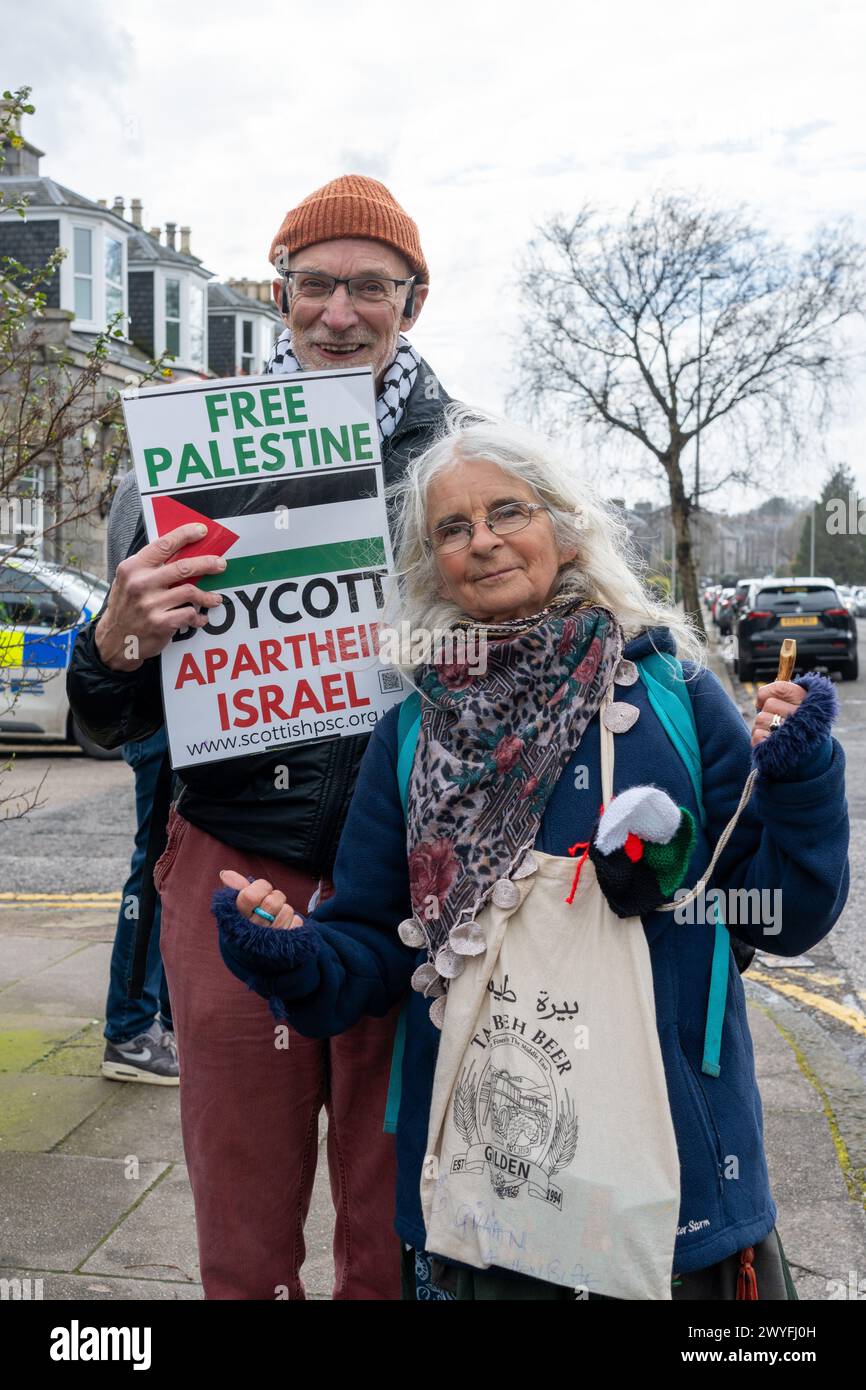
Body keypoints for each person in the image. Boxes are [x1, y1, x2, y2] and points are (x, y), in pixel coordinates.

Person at [215, 409, 849, 1301]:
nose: (483, 541)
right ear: (430, 559)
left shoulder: (675, 691)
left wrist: (806, 776)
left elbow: (778, 918)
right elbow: (371, 946)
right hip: (488, 1191)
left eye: (508, 512)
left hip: (678, 1170)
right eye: (452, 528)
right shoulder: (410, 729)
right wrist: (289, 950)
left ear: (563, 522)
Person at [67, 175, 453, 1299]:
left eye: (368, 287)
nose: (339, 312)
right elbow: (110, 718)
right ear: (279, 293)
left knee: (395, 1240)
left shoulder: (470, 463)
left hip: (411, 884)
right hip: (232, 864)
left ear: (411, 303)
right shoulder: (180, 456)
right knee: (240, 1242)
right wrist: (118, 636)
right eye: (315, 284)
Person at [100, 471, 176, 1084]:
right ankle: (128, 1031)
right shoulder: (143, 481)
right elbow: (125, 598)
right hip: (160, 706)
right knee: (153, 870)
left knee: (171, 870)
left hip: (175, 707)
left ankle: (162, 1024)